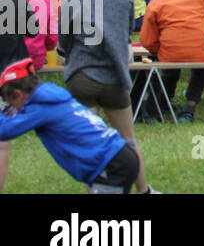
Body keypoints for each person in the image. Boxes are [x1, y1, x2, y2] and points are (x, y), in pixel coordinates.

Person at [59, 0, 151, 193]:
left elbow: (64, 42)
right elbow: (125, 28)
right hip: (115, 75)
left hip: (81, 75)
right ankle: (143, 189)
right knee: (128, 140)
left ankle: (94, 190)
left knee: (89, 142)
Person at [0, 58, 143, 193]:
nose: (16, 110)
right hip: (120, 155)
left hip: (111, 165)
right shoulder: (50, 95)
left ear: (18, 94)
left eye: (12, 104)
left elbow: (4, 130)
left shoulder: (41, 108)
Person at [138, 0, 204, 122]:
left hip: (170, 53)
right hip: (203, 51)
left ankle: (164, 102)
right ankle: (190, 107)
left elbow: (147, 40)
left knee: (169, 67)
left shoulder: (155, 3)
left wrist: (158, 48)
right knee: (201, 65)